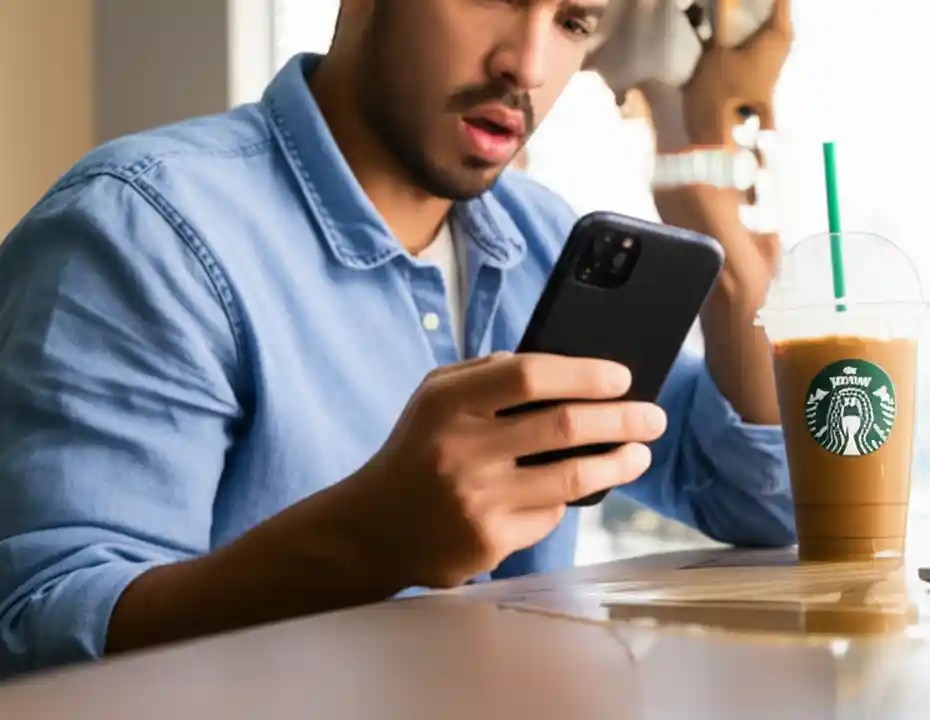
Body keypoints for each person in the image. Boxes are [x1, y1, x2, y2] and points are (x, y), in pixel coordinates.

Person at [0, 0, 795, 676]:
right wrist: (367, 540)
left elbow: (759, 500)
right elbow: (43, 634)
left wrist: (724, 244)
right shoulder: (144, 230)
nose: (528, 64)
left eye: (573, 21)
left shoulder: (547, 243)